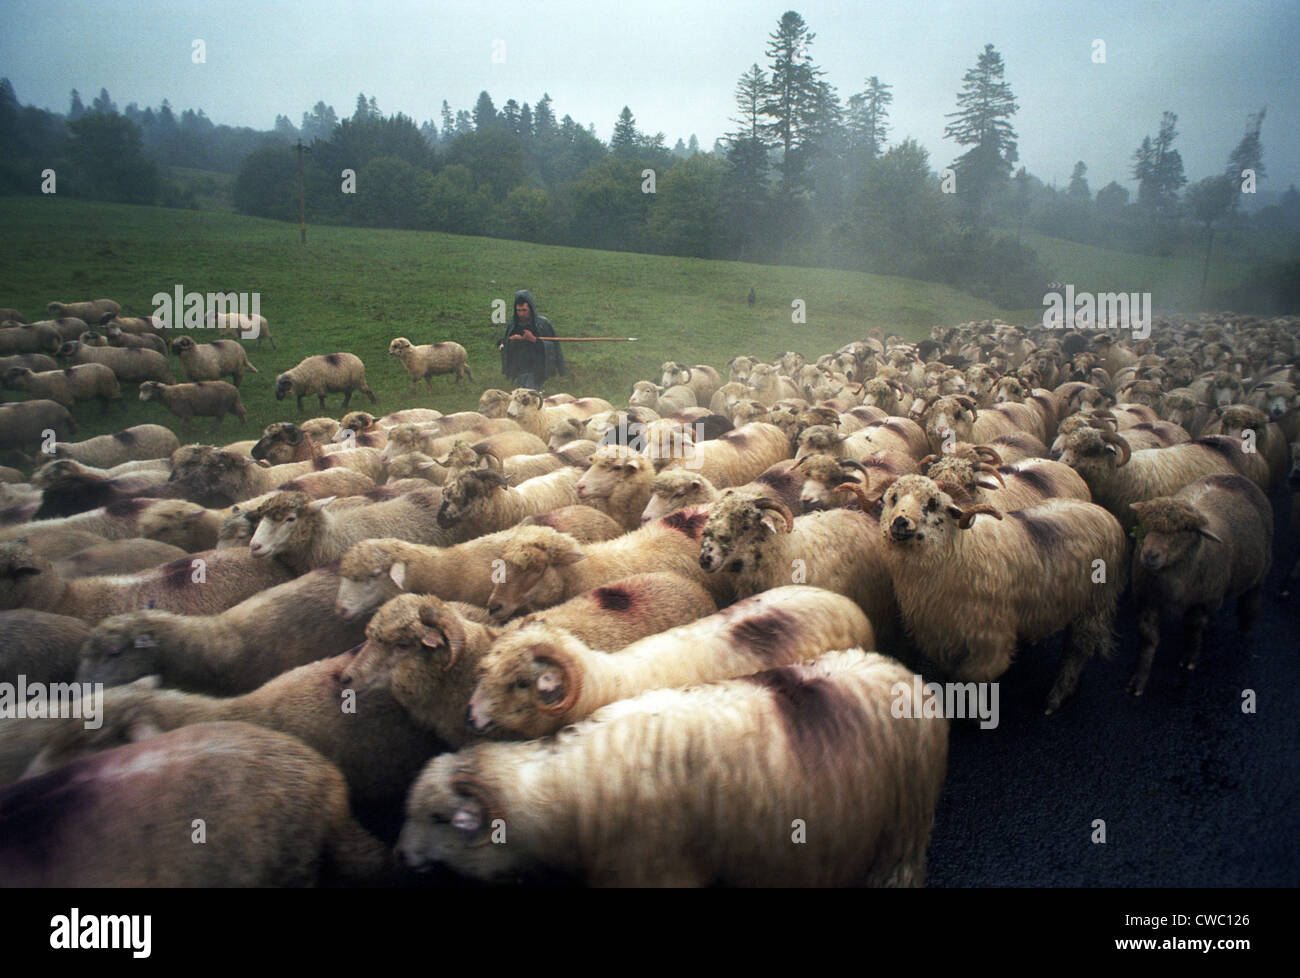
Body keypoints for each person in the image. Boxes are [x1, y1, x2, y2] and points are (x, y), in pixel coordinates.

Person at [497, 289, 565, 390]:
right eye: (518, 311)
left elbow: (552, 346)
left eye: (524, 310)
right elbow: (504, 345)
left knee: (530, 397)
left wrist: (533, 339)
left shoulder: (542, 324)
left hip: (536, 370)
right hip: (520, 369)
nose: (521, 314)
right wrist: (511, 340)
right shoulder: (513, 325)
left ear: (531, 309)